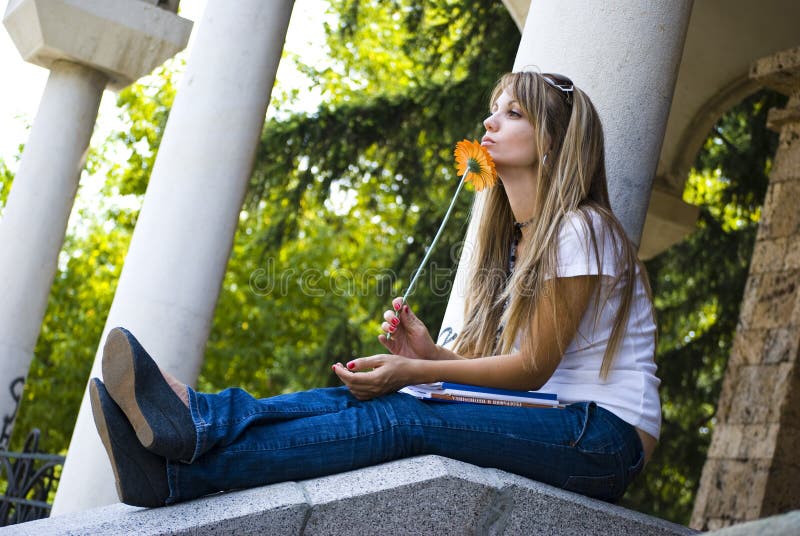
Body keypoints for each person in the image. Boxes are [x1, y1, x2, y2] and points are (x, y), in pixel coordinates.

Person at [89, 70, 659, 508]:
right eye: (492, 111)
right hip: (555, 418)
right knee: (375, 399)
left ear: (554, 141)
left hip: (604, 441)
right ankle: (186, 450)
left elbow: (532, 368)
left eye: (512, 113)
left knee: (406, 418)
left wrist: (421, 372)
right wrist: (429, 358)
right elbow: (519, 378)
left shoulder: (580, 228)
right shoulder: (519, 241)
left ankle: (195, 437)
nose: (489, 124)